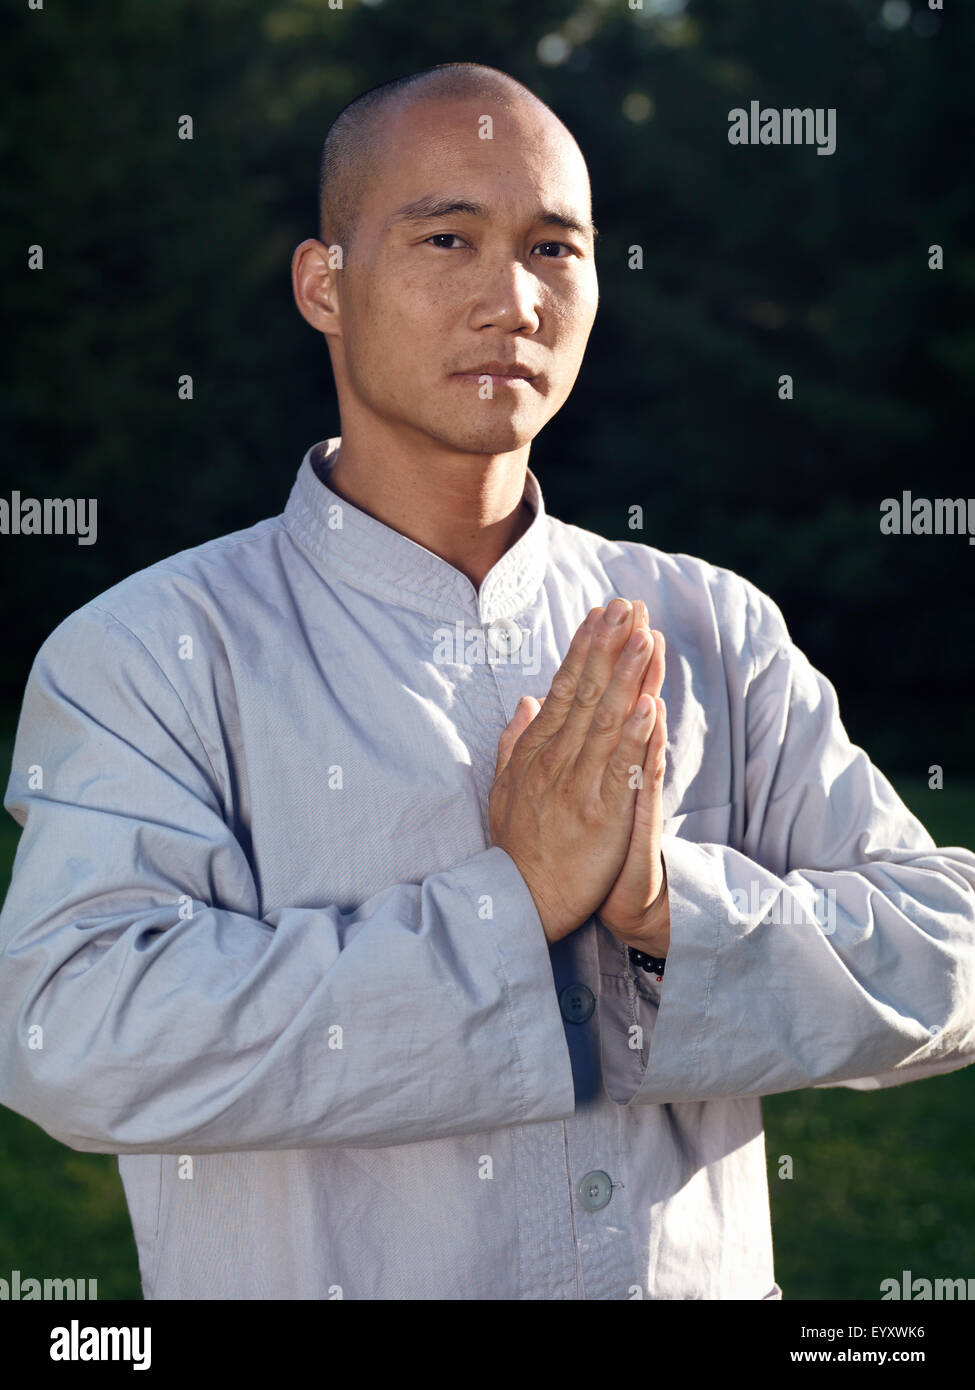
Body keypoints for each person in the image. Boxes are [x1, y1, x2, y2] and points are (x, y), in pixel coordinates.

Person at [0, 61, 973, 1302]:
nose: (510, 298)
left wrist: (674, 910)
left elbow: (954, 952)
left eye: (553, 249)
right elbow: (76, 1036)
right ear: (323, 284)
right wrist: (510, 908)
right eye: (445, 237)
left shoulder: (708, 627)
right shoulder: (151, 652)